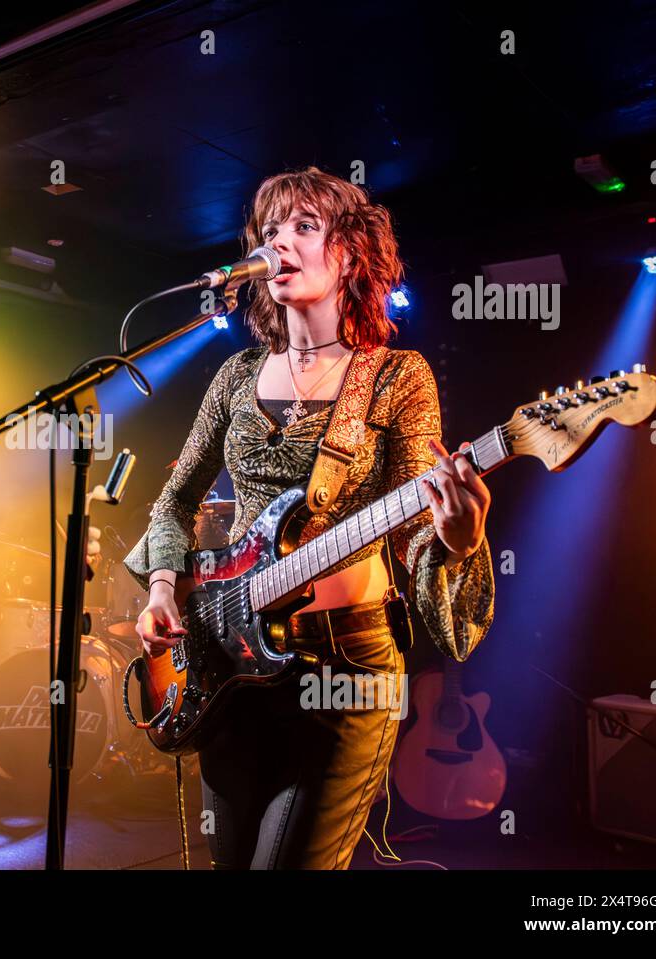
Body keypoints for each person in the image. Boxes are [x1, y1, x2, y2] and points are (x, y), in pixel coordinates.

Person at [124, 168, 494, 869]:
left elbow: (419, 524)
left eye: (303, 226)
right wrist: (165, 587)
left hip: (346, 669)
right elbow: (174, 497)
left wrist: (459, 538)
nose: (279, 244)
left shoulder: (397, 376)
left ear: (351, 254)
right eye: (270, 231)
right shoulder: (234, 376)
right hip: (232, 663)